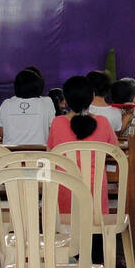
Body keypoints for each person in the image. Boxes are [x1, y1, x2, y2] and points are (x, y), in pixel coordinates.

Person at [46, 75, 118, 216]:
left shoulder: (57, 123)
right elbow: (114, 152)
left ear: (65, 100)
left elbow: (50, 154)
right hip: (95, 196)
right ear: (92, 97)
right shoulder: (103, 122)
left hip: (65, 195)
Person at [0, 67, 56, 147]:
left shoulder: (6, 104)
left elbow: (2, 132)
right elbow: (51, 131)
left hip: (11, 155)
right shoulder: (46, 102)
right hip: (40, 154)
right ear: (38, 86)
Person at [87, 69, 131, 134]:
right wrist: (128, 114)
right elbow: (118, 132)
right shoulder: (115, 112)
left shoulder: (78, 110)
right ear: (107, 90)